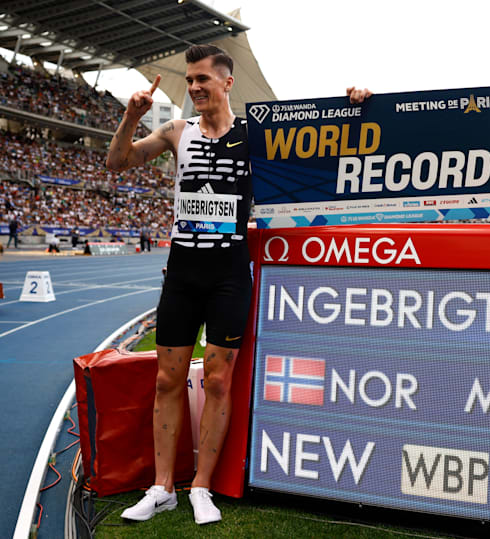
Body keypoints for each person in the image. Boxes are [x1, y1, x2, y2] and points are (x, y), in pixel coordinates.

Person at [106, 43, 370, 525]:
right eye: (188, 80)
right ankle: (162, 487)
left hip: (229, 273)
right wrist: (130, 117)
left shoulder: (256, 133)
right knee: (167, 378)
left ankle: (201, 486)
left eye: (202, 79)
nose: (193, 87)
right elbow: (117, 162)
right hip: (183, 272)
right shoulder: (175, 131)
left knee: (219, 380)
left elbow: (322, 141)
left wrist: (352, 104)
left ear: (227, 83)